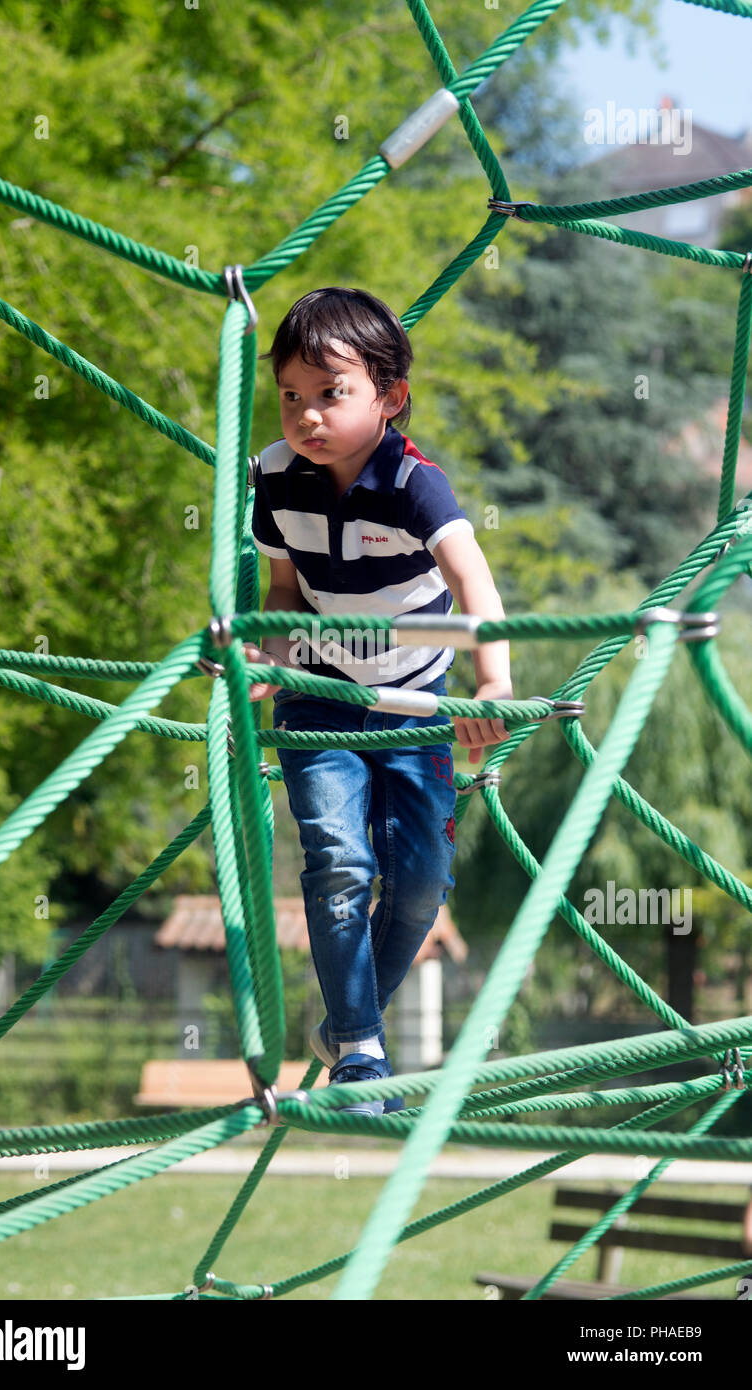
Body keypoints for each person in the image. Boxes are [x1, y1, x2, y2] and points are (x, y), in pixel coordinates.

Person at [244, 286, 512, 1116]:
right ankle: (360, 1051)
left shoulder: (414, 484)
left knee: (423, 884)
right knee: (338, 863)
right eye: (293, 396)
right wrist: (274, 654)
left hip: (416, 703)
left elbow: (475, 582)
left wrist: (493, 680)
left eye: (333, 393)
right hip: (320, 701)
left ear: (389, 399)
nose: (308, 415)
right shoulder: (275, 478)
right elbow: (284, 588)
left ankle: (347, 1021)